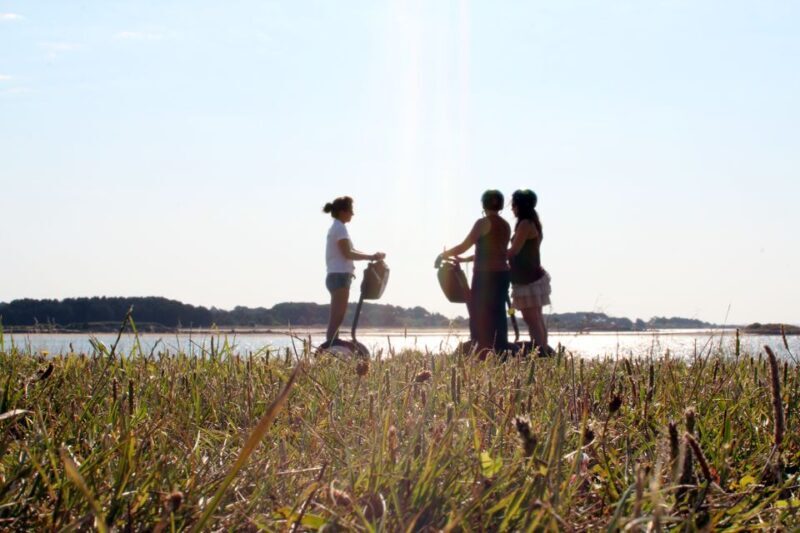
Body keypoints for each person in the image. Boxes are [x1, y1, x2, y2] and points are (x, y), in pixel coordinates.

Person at [437, 190, 511, 355]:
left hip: (485, 275)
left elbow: (464, 246)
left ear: (483, 204)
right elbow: (494, 251)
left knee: (478, 313)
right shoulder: (505, 225)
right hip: (503, 275)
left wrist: (443, 255)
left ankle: (481, 349)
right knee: (498, 313)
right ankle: (501, 349)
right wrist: (463, 260)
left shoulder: (482, 223)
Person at [322, 196, 385, 346]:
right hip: (340, 276)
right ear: (342, 212)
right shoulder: (340, 228)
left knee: (337, 316)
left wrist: (372, 256)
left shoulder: (338, 227)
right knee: (337, 316)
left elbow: (352, 250)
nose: (353, 214)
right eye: (350, 211)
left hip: (336, 275)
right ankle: (331, 346)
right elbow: (348, 253)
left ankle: (332, 344)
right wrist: (370, 256)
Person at [507, 189, 551, 353]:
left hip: (528, 278)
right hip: (530, 275)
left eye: (513, 205)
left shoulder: (525, 224)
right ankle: (543, 349)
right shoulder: (532, 222)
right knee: (536, 318)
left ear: (519, 205)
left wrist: (487, 256)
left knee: (532, 318)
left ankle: (541, 352)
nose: (512, 208)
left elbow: (514, 251)